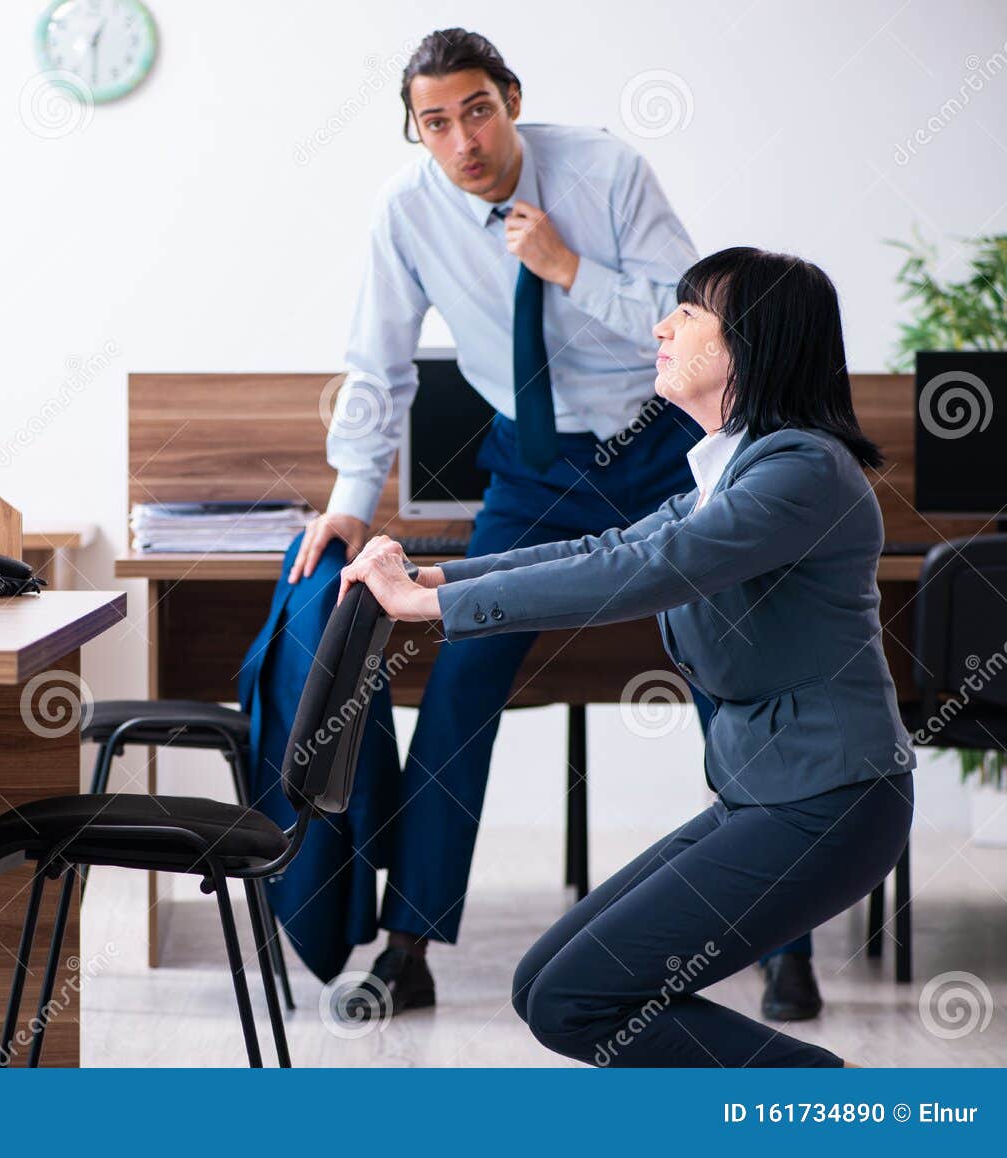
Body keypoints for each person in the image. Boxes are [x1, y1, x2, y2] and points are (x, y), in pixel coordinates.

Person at [241, 26, 825, 1017]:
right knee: (461, 680)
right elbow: (376, 367)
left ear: (510, 98)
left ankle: (781, 942)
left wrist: (565, 268)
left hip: (662, 448)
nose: (463, 139)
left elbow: (694, 322)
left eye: (477, 109)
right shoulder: (407, 212)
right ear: (415, 133)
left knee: (734, 672)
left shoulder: (605, 171)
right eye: (436, 122)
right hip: (532, 464)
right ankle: (409, 944)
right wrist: (348, 502)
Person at [336, 247, 911, 1066]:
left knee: (580, 999)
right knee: (543, 986)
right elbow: (608, 544)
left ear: (750, 342)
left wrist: (431, 607)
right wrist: (436, 574)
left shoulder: (802, 473)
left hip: (830, 804)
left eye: (687, 313)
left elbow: (645, 570)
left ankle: (844, 1116)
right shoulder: (733, 468)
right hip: (766, 796)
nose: (661, 326)